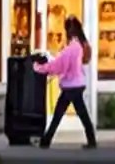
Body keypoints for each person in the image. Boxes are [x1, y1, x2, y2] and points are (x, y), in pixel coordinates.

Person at [34, 14, 98, 149]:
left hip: (71, 86)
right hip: (76, 84)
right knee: (79, 114)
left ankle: (46, 141)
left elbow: (59, 65)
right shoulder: (79, 45)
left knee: (60, 114)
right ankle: (90, 141)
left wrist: (40, 68)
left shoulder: (72, 48)